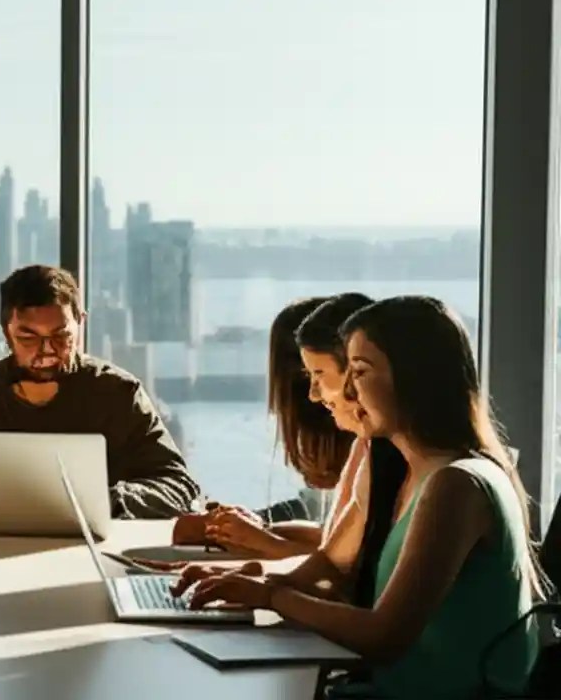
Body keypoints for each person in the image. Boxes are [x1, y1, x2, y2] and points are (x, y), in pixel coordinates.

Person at [176, 296, 542, 700]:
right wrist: (254, 581)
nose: (347, 390)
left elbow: (384, 636)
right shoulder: (416, 473)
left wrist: (271, 596)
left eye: (361, 372)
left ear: (414, 377)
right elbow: (335, 562)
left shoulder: (456, 486)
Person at [0, 264, 199, 519]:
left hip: (87, 556)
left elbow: (180, 487)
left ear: (81, 323)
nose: (46, 351)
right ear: (6, 332)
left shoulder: (117, 394)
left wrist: (104, 500)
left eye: (61, 336)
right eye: (28, 338)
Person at [175, 293, 375, 560]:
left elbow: (346, 567)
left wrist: (265, 545)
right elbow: (330, 535)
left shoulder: (385, 456)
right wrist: (255, 529)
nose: (314, 395)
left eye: (317, 375)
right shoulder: (366, 447)